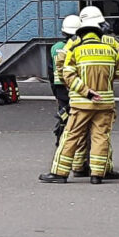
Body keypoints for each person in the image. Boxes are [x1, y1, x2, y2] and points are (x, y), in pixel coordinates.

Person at [40, 6, 119, 184]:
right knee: (101, 136)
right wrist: (107, 77)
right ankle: (98, 173)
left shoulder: (75, 46)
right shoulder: (111, 45)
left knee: (71, 134)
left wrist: (79, 89)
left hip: (81, 101)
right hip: (105, 101)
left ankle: (61, 172)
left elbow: (63, 68)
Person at [50, 14, 82, 143]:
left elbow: (50, 72)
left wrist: (55, 93)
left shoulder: (55, 48)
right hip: (76, 85)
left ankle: (61, 138)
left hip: (59, 87)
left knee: (64, 113)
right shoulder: (79, 46)